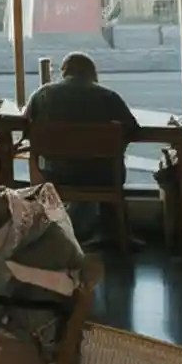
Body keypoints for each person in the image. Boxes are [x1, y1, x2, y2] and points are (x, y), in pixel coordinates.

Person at [23, 52, 139, 241]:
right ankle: (118, 236)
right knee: (108, 168)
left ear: (64, 71)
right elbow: (133, 130)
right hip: (102, 176)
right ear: (92, 73)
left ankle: (48, 237)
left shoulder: (42, 94)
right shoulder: (108, 96)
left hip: (56, 173)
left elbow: (26, 128)